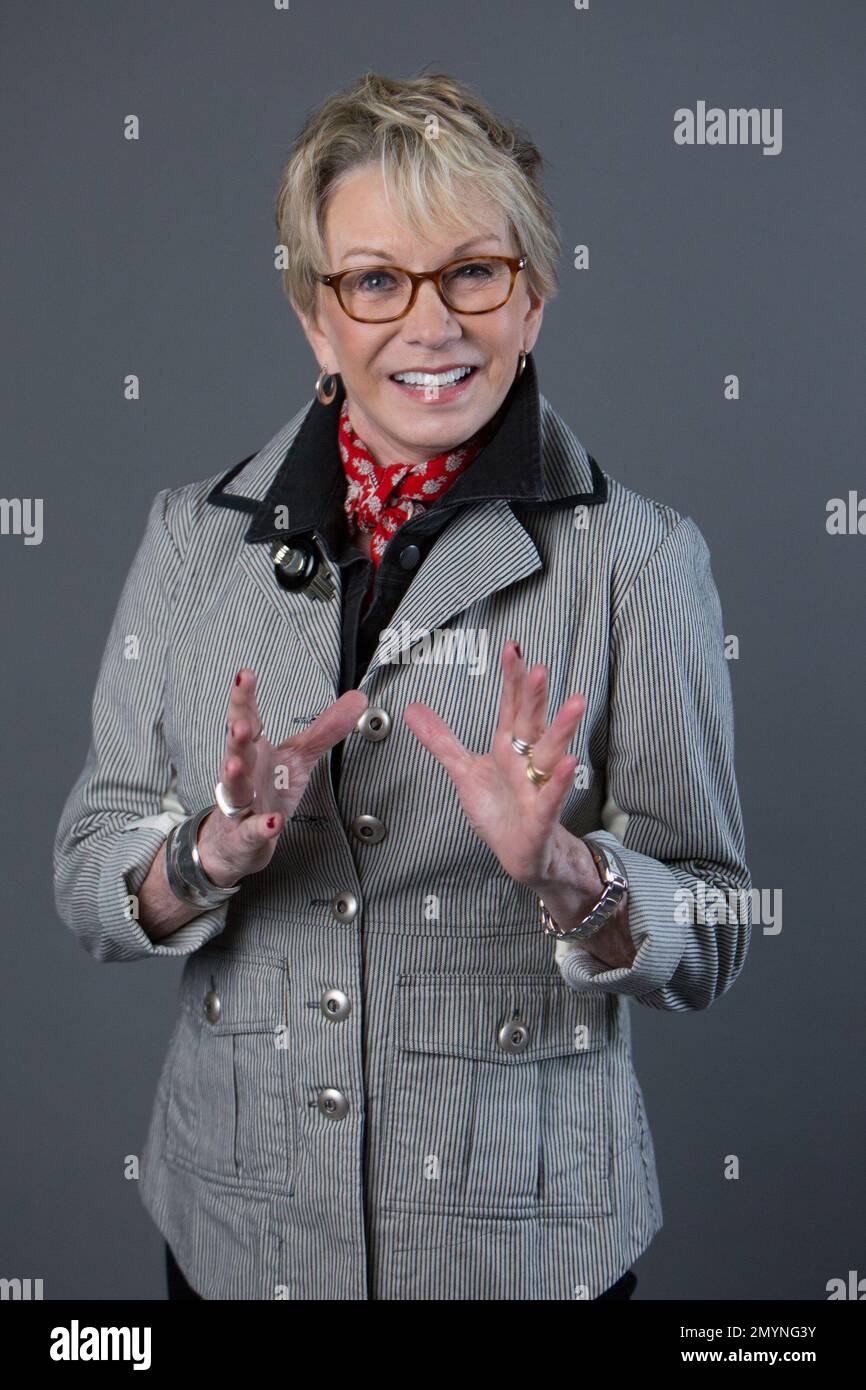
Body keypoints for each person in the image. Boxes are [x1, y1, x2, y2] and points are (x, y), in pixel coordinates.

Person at [54, 70, 751, 1301]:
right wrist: (205, 855)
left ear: (529, 296)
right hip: (234, 1230)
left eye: (471, 272)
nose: (428, 327)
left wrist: (568, 874)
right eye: (375, 281)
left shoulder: (640, 558)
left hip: (524, 1249)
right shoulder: (185, 539)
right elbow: (86, 869)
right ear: (315, 318)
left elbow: (717, 931)